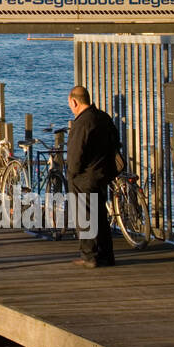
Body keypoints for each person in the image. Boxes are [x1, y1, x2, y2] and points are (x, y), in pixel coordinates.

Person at [66, 85, 120, 268]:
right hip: (102, 175)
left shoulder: (82, 123)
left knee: (85, 217)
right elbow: (116, 141)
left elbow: (75, 155)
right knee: (101, 217)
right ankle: (106, 255)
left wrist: (72, 174)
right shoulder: (103, 117)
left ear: (74, 101)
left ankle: (89, 255)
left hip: (84, 177)